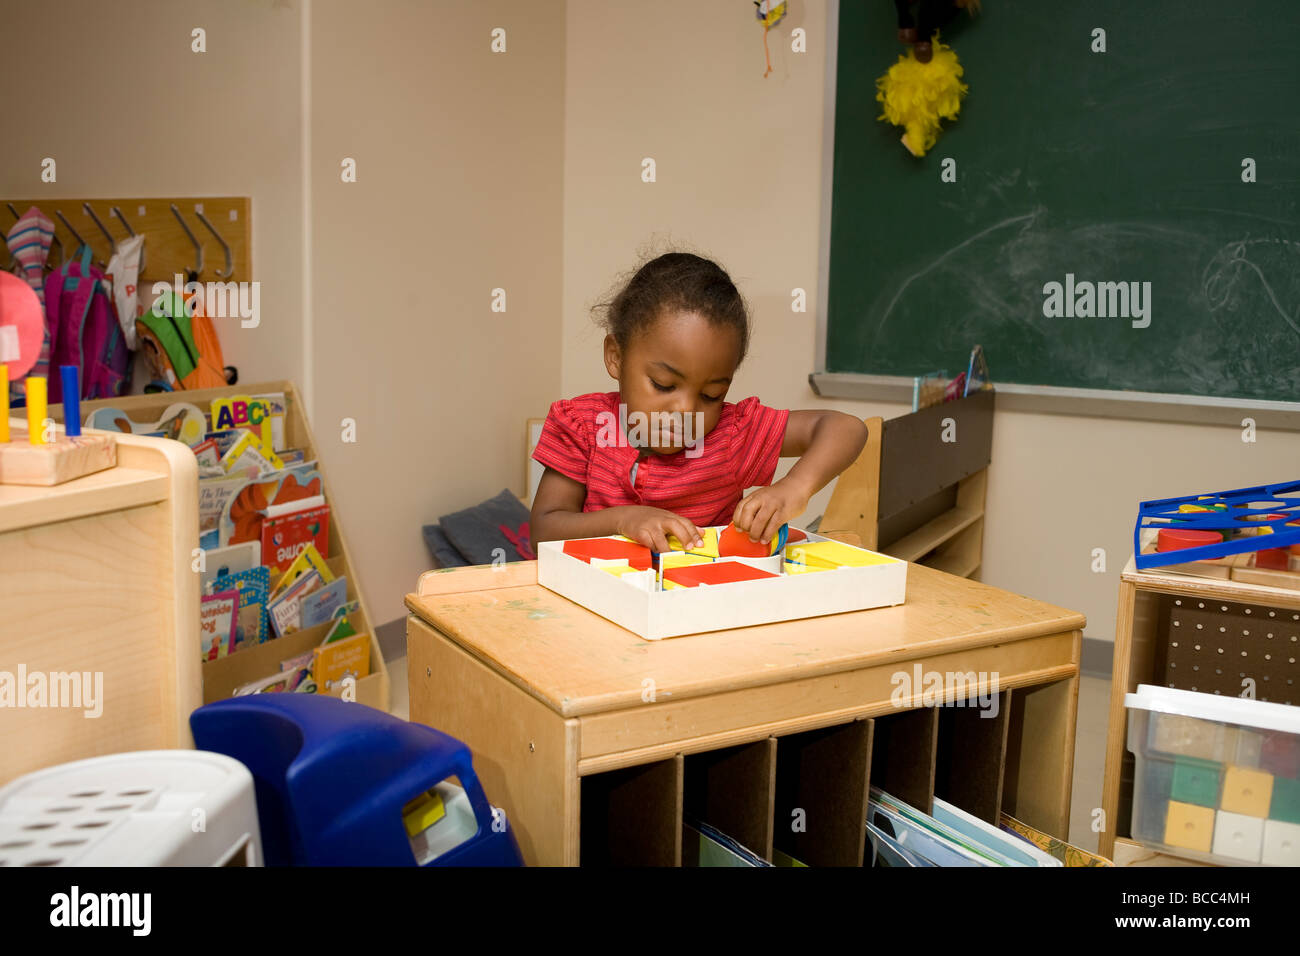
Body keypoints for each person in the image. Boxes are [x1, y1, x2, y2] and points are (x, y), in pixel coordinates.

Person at [530, 251, 868, 553]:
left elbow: (846, 428)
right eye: (663, 385)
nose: (685, 411)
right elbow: (544, 532)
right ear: (616, 356)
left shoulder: (733, 433)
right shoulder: (583, 425)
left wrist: (794, 488)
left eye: (711, 395)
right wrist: (622, 521)